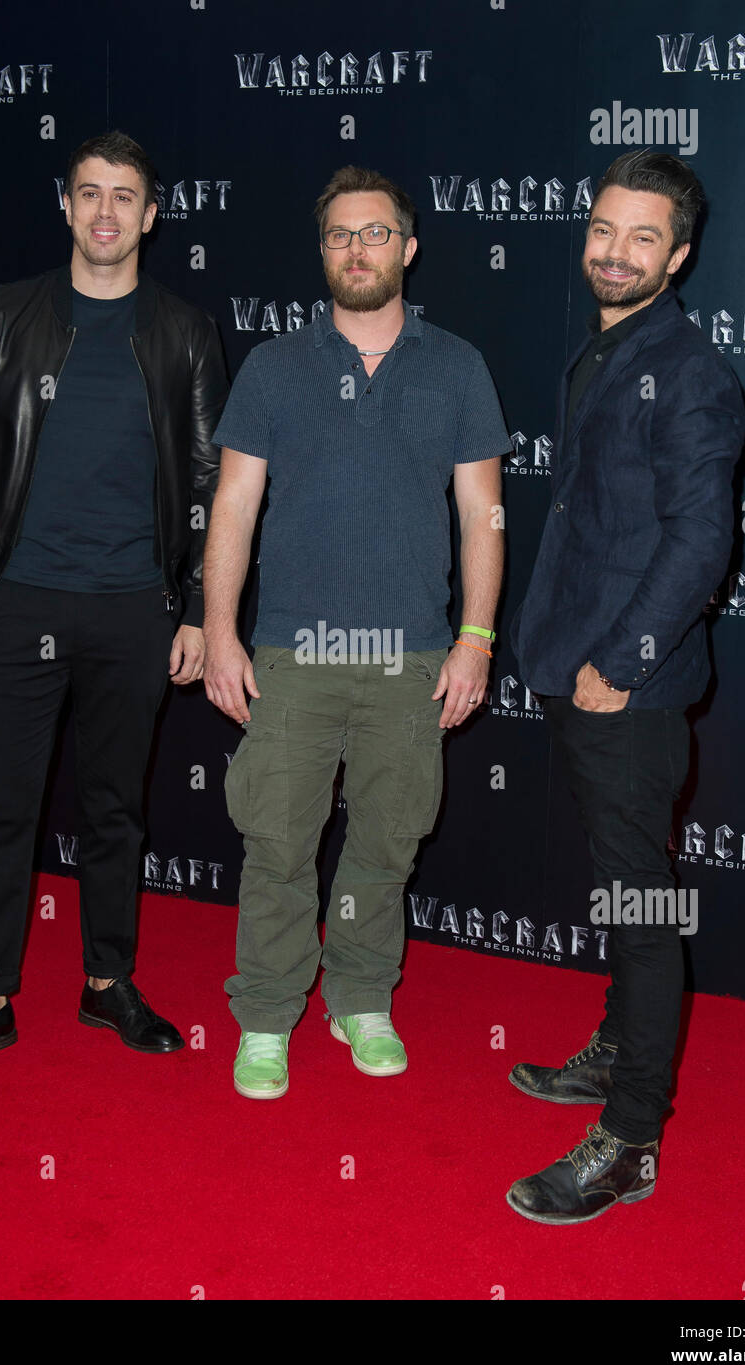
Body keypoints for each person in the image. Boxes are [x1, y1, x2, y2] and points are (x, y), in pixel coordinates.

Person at [0, 131, 227, 1080]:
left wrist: (199, 608)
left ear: (152, 216)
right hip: (17, 598)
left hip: (133, 608)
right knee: (3, 808)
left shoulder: (185, 331)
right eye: (91, 194)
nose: (108, 212)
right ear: (66, 206)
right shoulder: (9, 315)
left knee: (118, 810)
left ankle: (107, 983)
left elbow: (208, 479)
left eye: (126, 196)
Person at [203, 165, 510, 1099]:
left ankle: (363, 998)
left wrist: (476, 639)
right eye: (340, 235)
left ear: (408, 248)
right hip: (292, 654)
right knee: (278, 842)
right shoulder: (274, 366)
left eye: (376, 233)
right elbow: (234, 507)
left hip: (412, 655)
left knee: (387, 840)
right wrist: (220, 628)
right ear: (322, 251)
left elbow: (483, 516)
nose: (357, 249)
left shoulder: (457, 366)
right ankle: (265, 1017)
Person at [505, 150, 745, 1222]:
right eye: (604, 229)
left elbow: (703, 543)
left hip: (628, 695)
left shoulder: (691, 372)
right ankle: (616, 1048)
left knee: (645, 909)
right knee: (623, 887)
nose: (615, 250)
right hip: (577, 672)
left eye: (643, 237)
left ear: (679, 254)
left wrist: (619, 662)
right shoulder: (605, 349)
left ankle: (632, 1141)